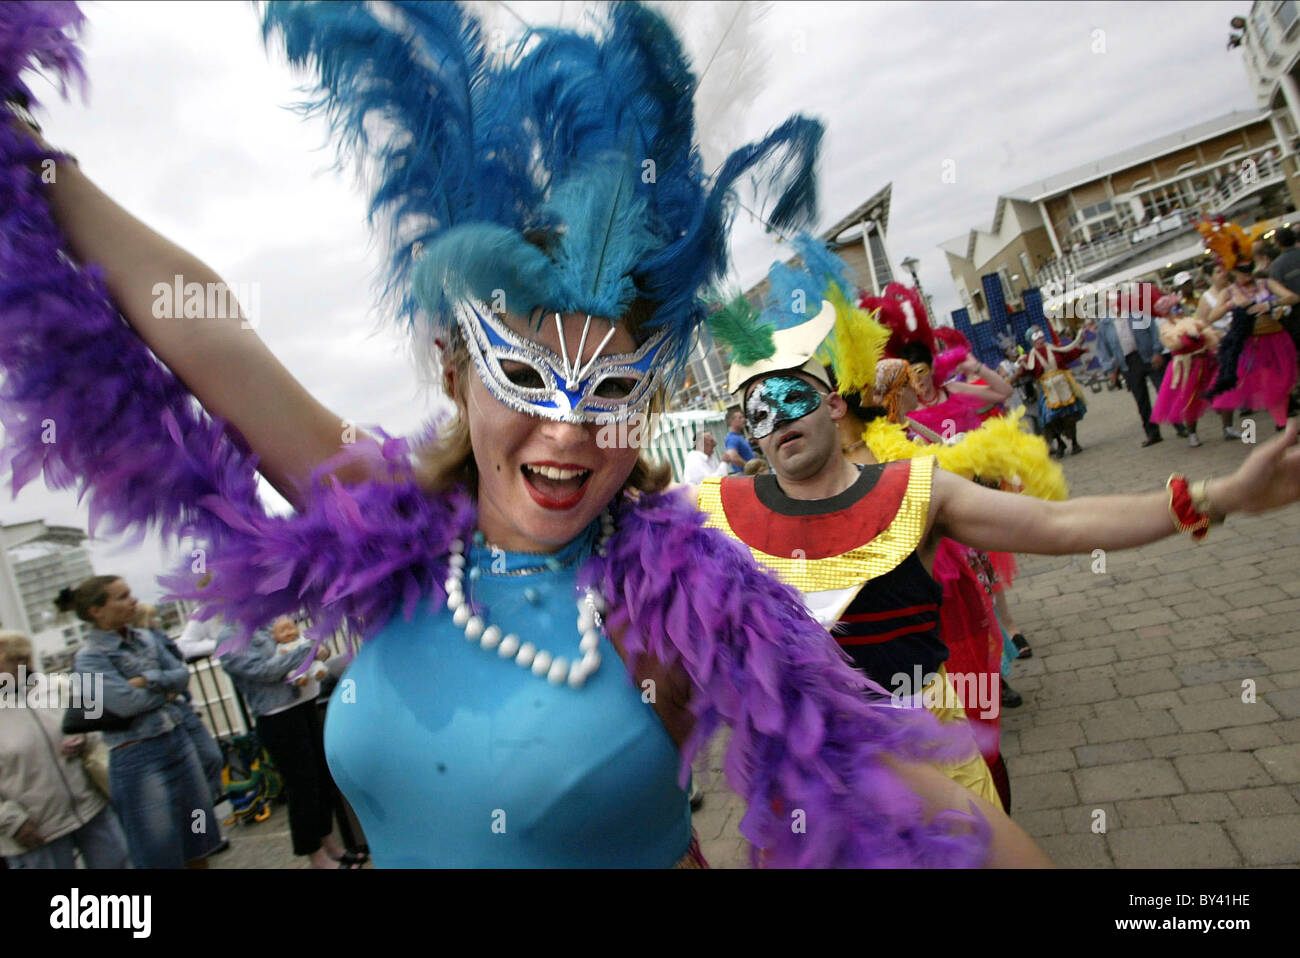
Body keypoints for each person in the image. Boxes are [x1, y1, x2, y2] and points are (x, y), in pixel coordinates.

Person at [2, 3, 1061, 867]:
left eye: (610, 390)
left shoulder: (683, 594)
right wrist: (35, 158)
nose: (567, 430)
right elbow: (212, 337)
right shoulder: (392, 524)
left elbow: (909, 787)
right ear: (456, 371)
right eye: (523, 375)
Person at [59, 577, 222, 868]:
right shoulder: (88, 659)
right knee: (159, 850)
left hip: (179, 744)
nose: (132, 600)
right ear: (97, 610)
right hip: (138, 759)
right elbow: (124, 705)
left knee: (197, 838)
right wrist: (166, 691)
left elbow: (181, 675)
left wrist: (146, 680)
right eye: (122, 597)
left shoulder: (146, 638)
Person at [218, 616, 362, 869]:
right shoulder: (230, 637)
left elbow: (310, 642)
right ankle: (315, 854)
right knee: (302, 787)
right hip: (278, 717)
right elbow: (265, 672)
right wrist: (307, 650)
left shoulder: (266, 620)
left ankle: (329, 844)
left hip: (305, 704)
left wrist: (318, 649)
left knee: (321, 779)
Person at [0, 631, 131, 869]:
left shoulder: (57, 686)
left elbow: (95, 724)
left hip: (90, 807)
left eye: (25, 657)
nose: (23, 664)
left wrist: (84, 738)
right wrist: (13, 822)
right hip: (35, 830)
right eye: (13, 660)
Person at [1093, 286, 1177, 447]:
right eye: (1110, 300)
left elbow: (1154, 331)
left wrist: (1157, 351)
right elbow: (1102, 349)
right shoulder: (1105, 324)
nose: (1114, 302)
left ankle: (1179, 425)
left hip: (1147, 355)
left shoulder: (1136, 312)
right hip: (1128, 363)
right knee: (1141, 400)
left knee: (1164, 391)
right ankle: (1152, 433)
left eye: (1116, 298)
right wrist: (1110, 370)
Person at [1021, 325, 1090, 457]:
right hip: (1047, 389)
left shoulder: (1054, 348)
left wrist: (1079, 342)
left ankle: (1074, 442)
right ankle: (1059, 443)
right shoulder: (1030, 357)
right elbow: (1026, 370)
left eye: (1041, 336)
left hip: (1063, 385)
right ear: (1032, 341)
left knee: (1070, 414)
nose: (1040, 339)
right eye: (1036, 338)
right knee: (1049, 418)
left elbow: (1068, 353)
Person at [722, 408, 755, 474]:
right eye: (740, 418)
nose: (743, 420)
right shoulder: (732, 438)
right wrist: (750, 468)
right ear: (731, 422)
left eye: (743, 417)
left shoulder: (739, 437)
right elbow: (733, 457)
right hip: (746, 475)